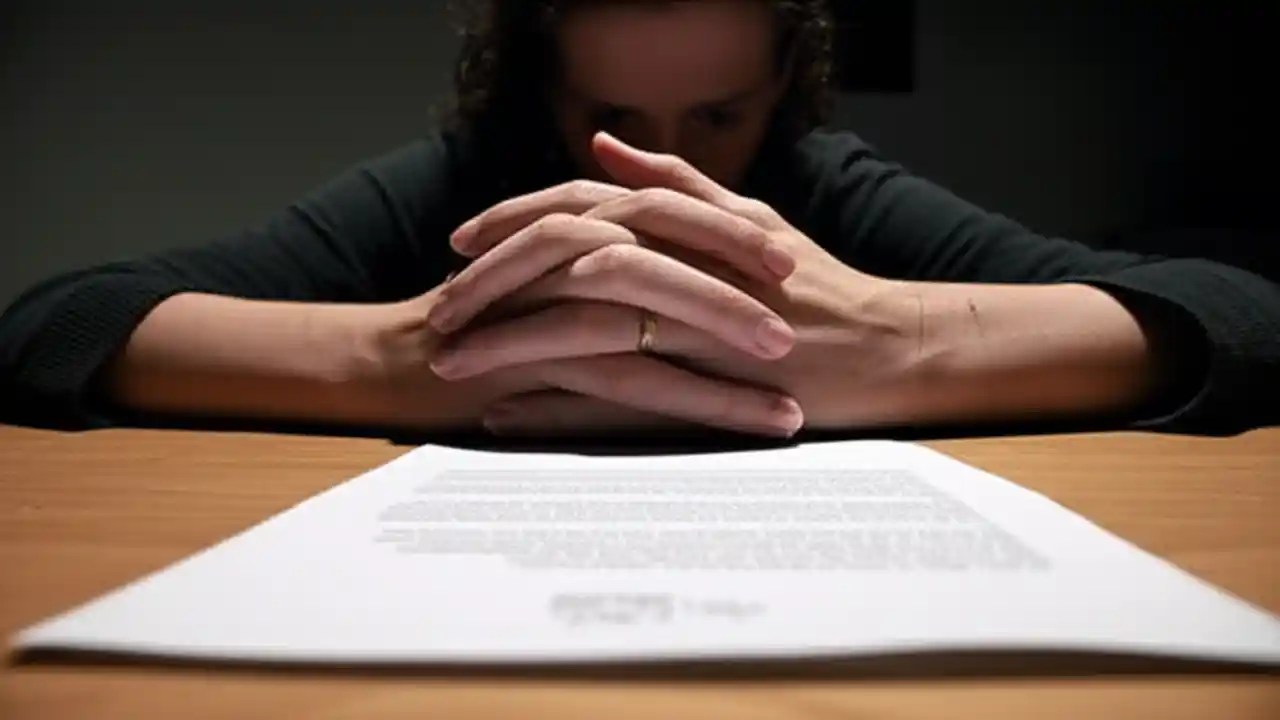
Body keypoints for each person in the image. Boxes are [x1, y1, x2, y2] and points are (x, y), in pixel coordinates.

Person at [1, 0, 1277, 438]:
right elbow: (56, 322)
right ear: (538, 88)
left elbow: (1241, 313)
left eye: (718, 118)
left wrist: (902, 342)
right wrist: (406, 354)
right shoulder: (449, 190)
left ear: (784, 79)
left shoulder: (827, 190)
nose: (658, 172)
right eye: (609, 118)